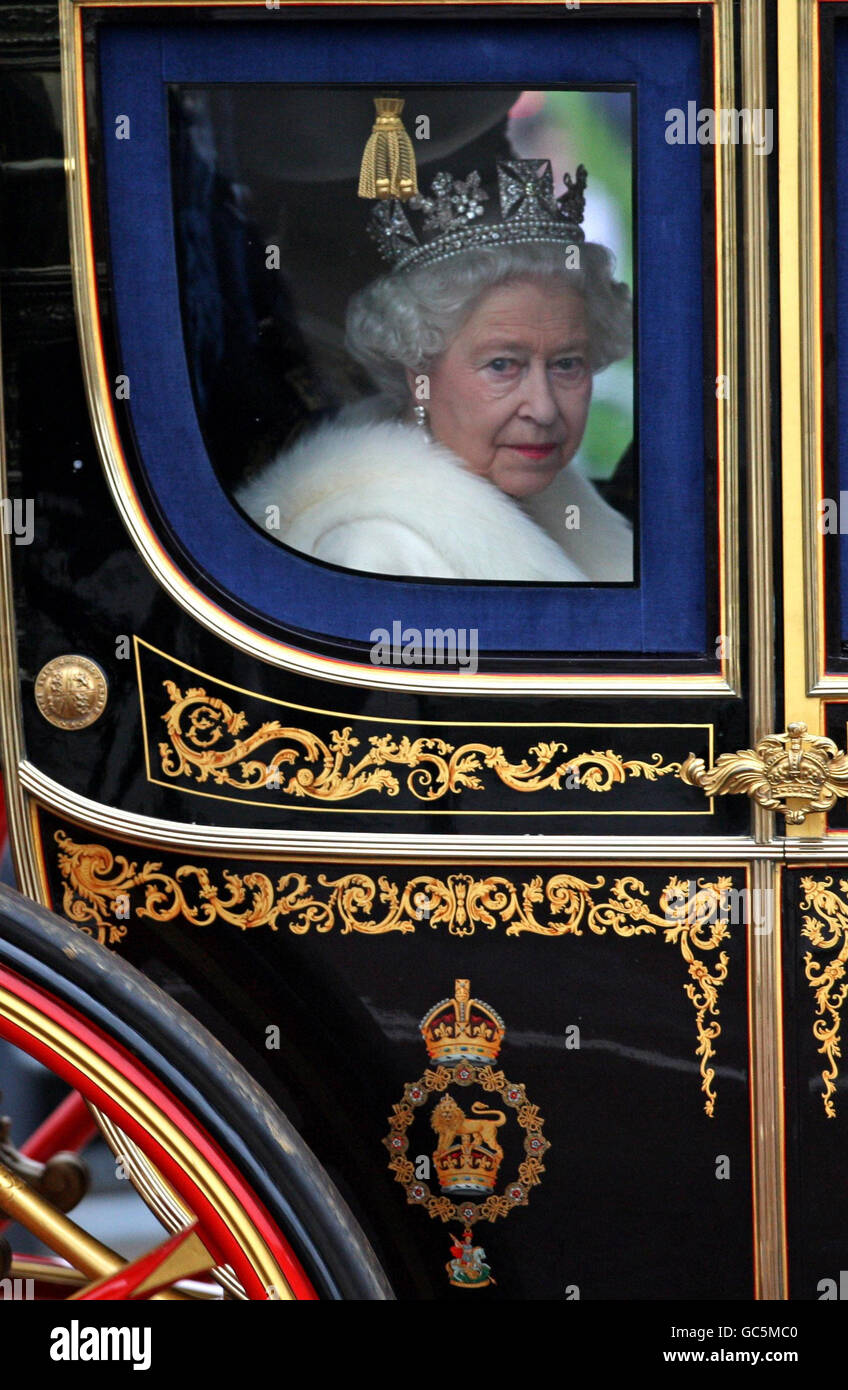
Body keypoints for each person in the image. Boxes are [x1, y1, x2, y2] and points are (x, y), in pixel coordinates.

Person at [236, 157, 633, 582]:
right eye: (502, 365)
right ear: (418, 373)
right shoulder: (369, 552)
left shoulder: (558, 508)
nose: (544, 409)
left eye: (567, 364)